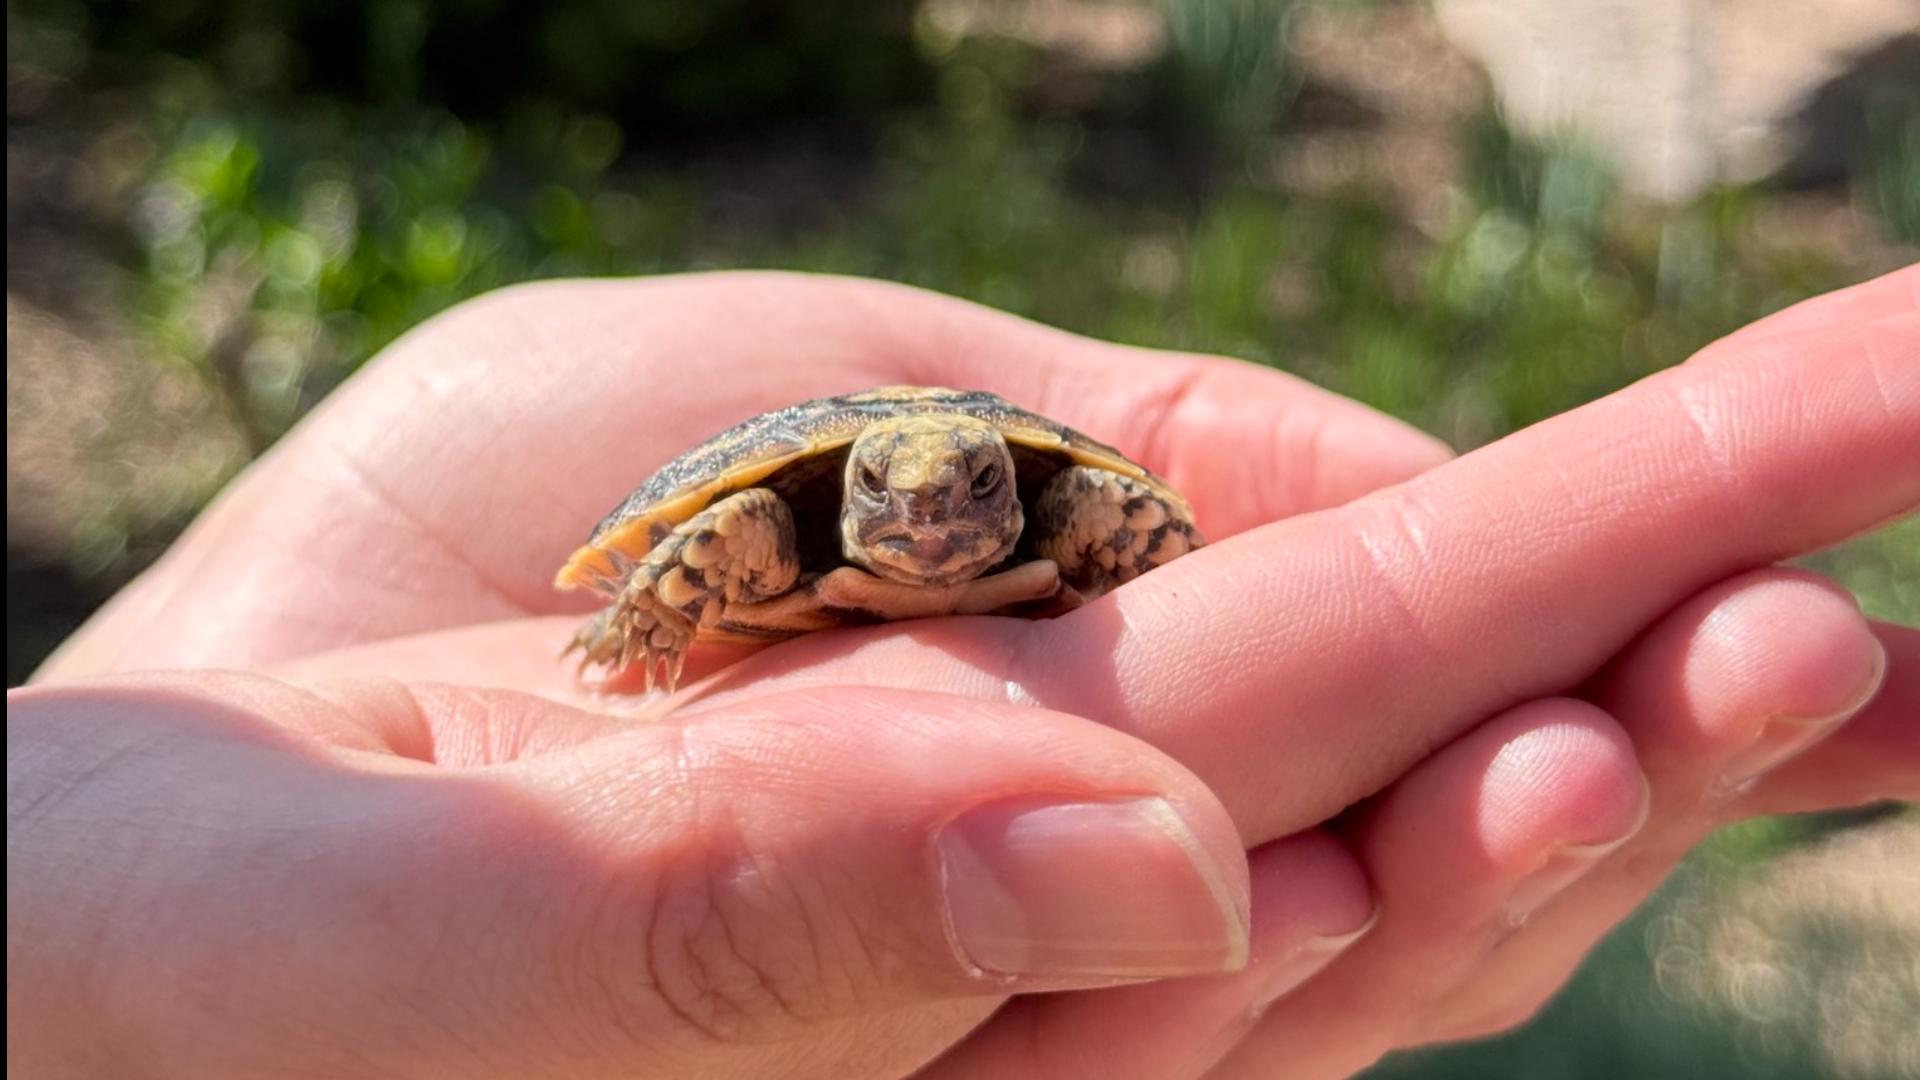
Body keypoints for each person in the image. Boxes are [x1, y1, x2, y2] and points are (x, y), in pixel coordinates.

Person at [9, 267, 1916, 1080]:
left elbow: (1141, 536)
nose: (929, 521)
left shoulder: (1057, 509)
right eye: (899, 501)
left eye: (972, 497)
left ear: (1010, 493)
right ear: (852, 500)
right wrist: (653, 617)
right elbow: (699, 556)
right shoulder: (776, 531)